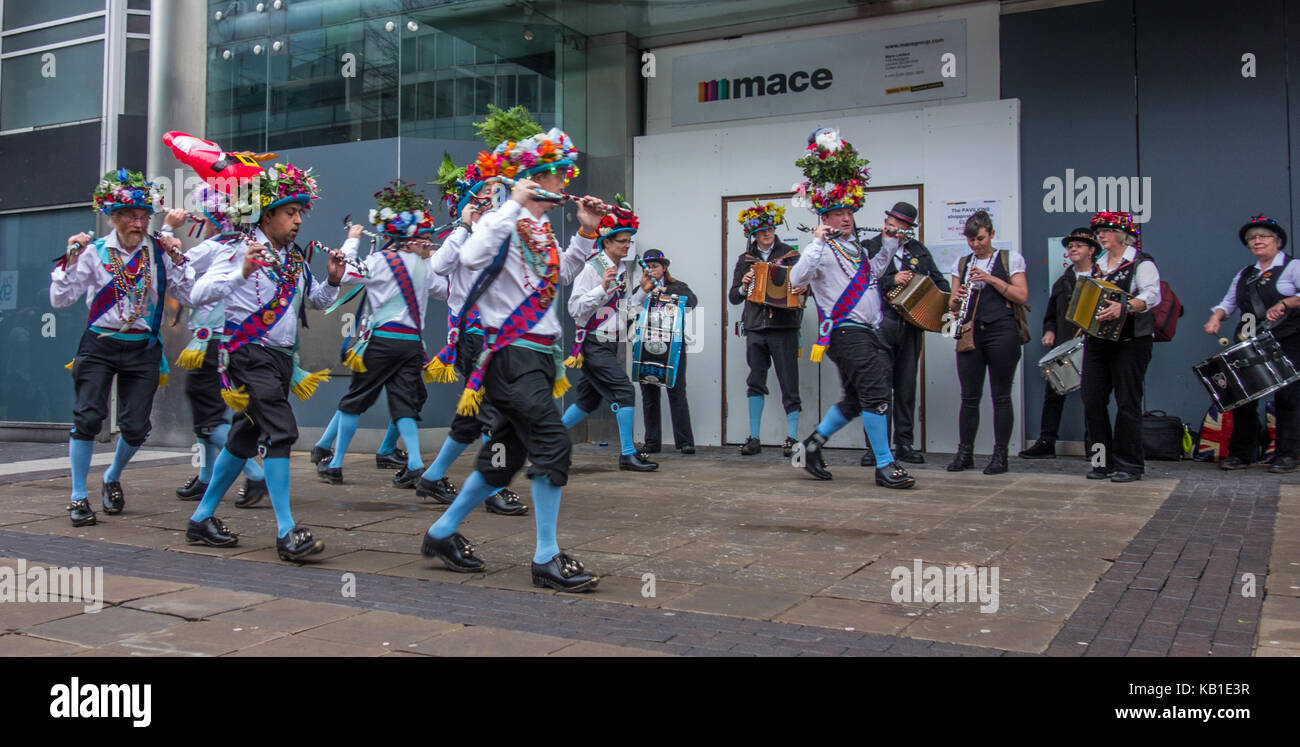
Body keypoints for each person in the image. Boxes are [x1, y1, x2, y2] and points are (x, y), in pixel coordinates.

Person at [419, 128, 605, 591]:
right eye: (559, 175)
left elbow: (562, 275)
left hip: (540, 356)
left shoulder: (539, 227)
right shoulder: (499, 221)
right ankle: (546, 557)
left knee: (506, 456)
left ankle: (441, 532)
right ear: (534, 178)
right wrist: (511, 204)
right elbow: (471, 257)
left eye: (564, 175)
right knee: (552, 442)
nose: (565, 183)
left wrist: (585, 230)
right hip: (509, 357)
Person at [183, 161, 353, 560]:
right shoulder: (237, 247)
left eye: (300, 214)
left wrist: (331, 278)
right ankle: (287, 531)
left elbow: (317, 302)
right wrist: (242, 271)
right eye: (290, 213)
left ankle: (201, 519)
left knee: (242, 438)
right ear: (267, 213)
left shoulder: (293, 258)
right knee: (281, 433)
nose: (297, 221)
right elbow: (198, 293)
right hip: (246, 354)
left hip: (278, 358)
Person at [51, 168, 193, 527]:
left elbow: (189, 294)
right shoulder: (94, 252)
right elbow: (60, 298)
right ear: (113, 217)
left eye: (145, 216)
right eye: (131, 215)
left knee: (135, 427)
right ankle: (78, 497)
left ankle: (112, 476)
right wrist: (68, 261)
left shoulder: (159, 254)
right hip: (99, 343)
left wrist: (179, 259)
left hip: (142, 347)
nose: (139, 222)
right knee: (88, 418)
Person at [788, 127, 913, 489]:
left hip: (866, 332)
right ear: (824, 218)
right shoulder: (822, 250)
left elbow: (871, 275)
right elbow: (798, 276)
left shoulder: (855, 248)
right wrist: (815, 242)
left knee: (857, 399)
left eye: (848, 212)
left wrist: (889, 243)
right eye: (837, 213)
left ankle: (812, 445)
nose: (845, 218)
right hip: (846, 333)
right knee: (876, 394)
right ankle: (885, 465)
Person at [415, 147, 529, 516]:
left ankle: (432, 475)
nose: (494, 198)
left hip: (500, 334)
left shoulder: (501, 232)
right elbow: (438, 267)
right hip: (474, 336)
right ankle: (493, 485)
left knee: (479, 413)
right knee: (495, 411)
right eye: (486, 193)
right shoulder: (464, 233)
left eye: (497, 192)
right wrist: (464, 224)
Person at [317, 181, 447, 488]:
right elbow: (445, 292)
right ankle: (415, 463)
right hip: (412, 345)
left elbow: (346, 272)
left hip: (381, 342)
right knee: (404, 404)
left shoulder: (377, 262)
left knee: (354, 401)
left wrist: (351, 240)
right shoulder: (424, 265)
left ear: (388, 235)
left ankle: (335, 464)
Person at [171, 186, 266, 506]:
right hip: (227, 340)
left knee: (210, 418)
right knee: (208, 411)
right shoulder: (247, 247)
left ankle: (255, 473)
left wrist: (170, 230)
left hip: (212, 341)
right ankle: (207, 476)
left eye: (206, 215)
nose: (201, 220)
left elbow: (176, 271)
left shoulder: (215, 248)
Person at [560, 198, 658, 471]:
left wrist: (643, 290)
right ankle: (627, 453)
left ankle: (547, 439)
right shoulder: (592, 269)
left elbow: (623, 310)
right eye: (621, 241)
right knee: (624, 391)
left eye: (629, 241)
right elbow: (575, 309)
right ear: (606, 242)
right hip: (593, 344)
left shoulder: (623, 270)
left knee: (587, 401)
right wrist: (602, 288)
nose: (627, 246)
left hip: (611, 341)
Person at [1203, 214, 1300, 473]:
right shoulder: (1245, 274)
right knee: (1242, 398)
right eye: (1251, 239)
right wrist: (1216, 318)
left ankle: (1287, 456)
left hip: (1287, 338)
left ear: (1277, 241)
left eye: (1262, 236)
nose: (1256, 241)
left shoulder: (1293, 267)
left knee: (1288, 398)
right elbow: (1228, 303)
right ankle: (1242, 453)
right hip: (1249, 340)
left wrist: (1285, 302)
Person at [865, 201, 948, 466]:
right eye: (892, 223)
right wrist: (891, 280)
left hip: (910, 326)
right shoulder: (869, 246)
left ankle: (904, 444)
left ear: (909, 228)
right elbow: (860, 283)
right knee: (878, 389)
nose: (895, 228)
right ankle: (876, 448)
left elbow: (940, 282)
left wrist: (925, 289)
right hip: (879, 325)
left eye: (901, 225)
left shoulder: (918, 250)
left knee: (906, 388)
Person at [945, 210, 1029, 475]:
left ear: (991, 234)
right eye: (971, 239)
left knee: (1001, 395)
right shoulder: (961, 263)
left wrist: (991, 278)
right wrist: (956, 298)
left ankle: (1000, 455)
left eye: (980, 238)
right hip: (971, 330)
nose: (976, 244)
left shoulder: (1009, 259)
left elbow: (1021, 295)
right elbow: (952, 305)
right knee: (969, 396)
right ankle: (965, 453)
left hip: (1002, 330)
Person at [1080, 211, 1160, 482]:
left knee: (1127, 402)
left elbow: (1152, 296)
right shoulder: (1098, 264)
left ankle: (1129, 465)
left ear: (1123, 235)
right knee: (1092, 400)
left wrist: (1124, 307)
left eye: (1107, 230)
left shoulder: (1141, 263)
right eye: (1099, 231)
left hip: (1130, 342)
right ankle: (1101, 461)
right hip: (1098, 341)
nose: (1101, 235)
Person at [729, 201, 804, 456]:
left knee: (788, 380)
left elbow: (806, 290)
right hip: (755, 328)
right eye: (761, 230)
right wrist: (744, 284)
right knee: (756, 380)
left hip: (784, 326)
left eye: (770, 228)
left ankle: (792, 437)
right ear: (753, 234)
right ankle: (754, 437)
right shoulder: (745, 259)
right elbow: (734, 297)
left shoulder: (791, 255)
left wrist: (800, 290)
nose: (767, 233)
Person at [1020, 227, 1097, 460]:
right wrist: (1050, 331)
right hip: (1065, 343)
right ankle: (1046, 442)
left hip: (1094, 345)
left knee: (1094, 397)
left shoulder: (1102, 277)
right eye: (1070, 246)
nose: (1073, 248)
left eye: (1079, 245)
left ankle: (1094, 445)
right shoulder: (1063, 281)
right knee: (1054, 391)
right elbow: (1051, 313)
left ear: (1092, 250)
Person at [638, 249, 698, 454]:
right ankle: (652, 442)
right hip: (646, 346)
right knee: (649, 393)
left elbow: (692, 301)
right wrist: (645, 293)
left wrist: (667, 294)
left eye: (655, 266)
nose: (652, 270)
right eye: (648, 267)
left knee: (677, 390)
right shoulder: (641, 289)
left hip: (673, 346)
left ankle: (685, 442)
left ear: (664, 268)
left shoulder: (677, 286)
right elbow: (629, 311)